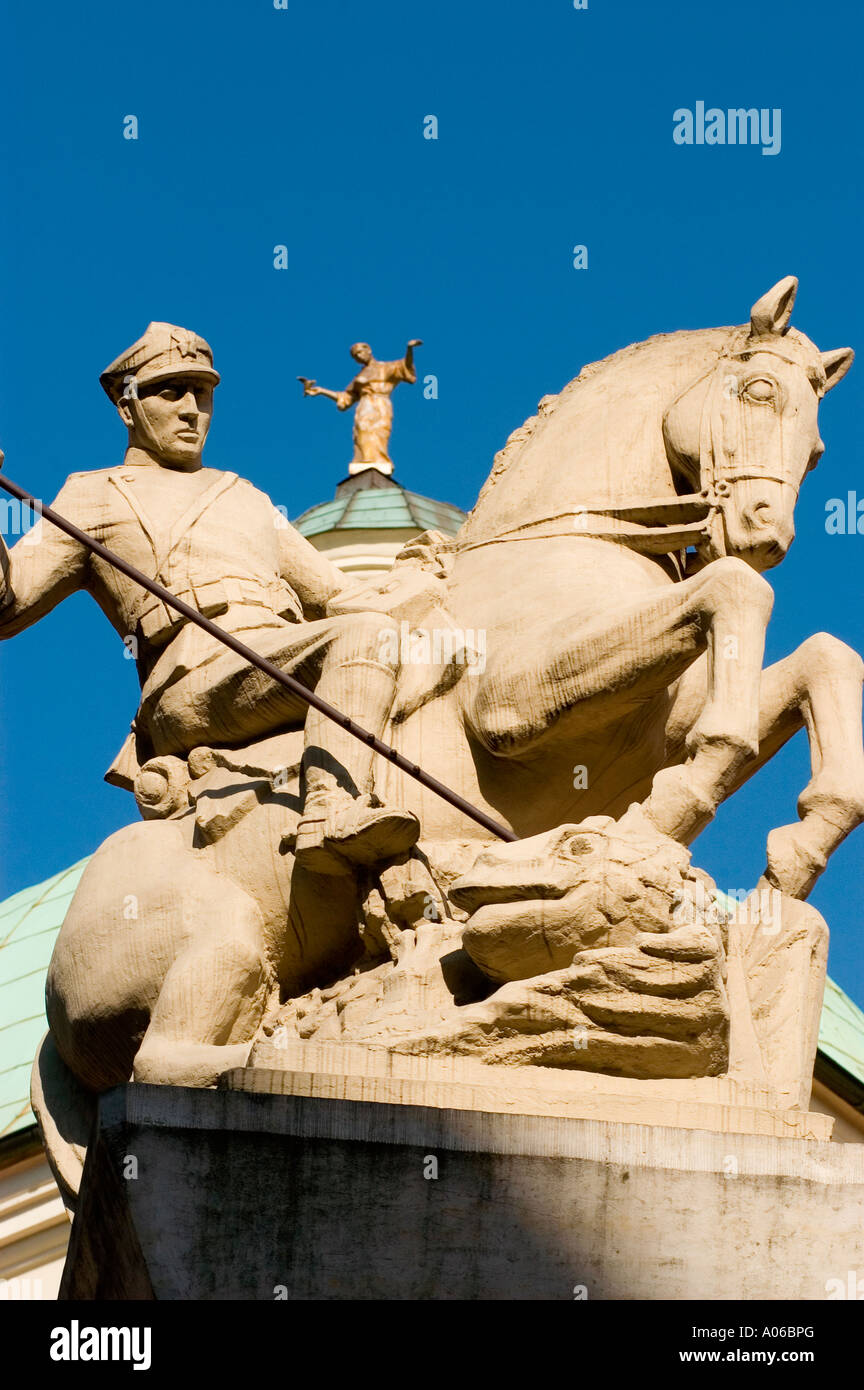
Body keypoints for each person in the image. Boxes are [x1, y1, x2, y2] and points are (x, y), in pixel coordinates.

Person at [0, 322, 420, 874]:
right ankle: (327, 811)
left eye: (203, 393)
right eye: (171, 392)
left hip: (280, 653)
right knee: (365, 638)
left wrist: (433, 583)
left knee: (411, 652)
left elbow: (341, 596)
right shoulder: (92, 495)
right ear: (128, 409)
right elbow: (9, 604)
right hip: (194, 680)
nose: (191, 409)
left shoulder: (244, 495)